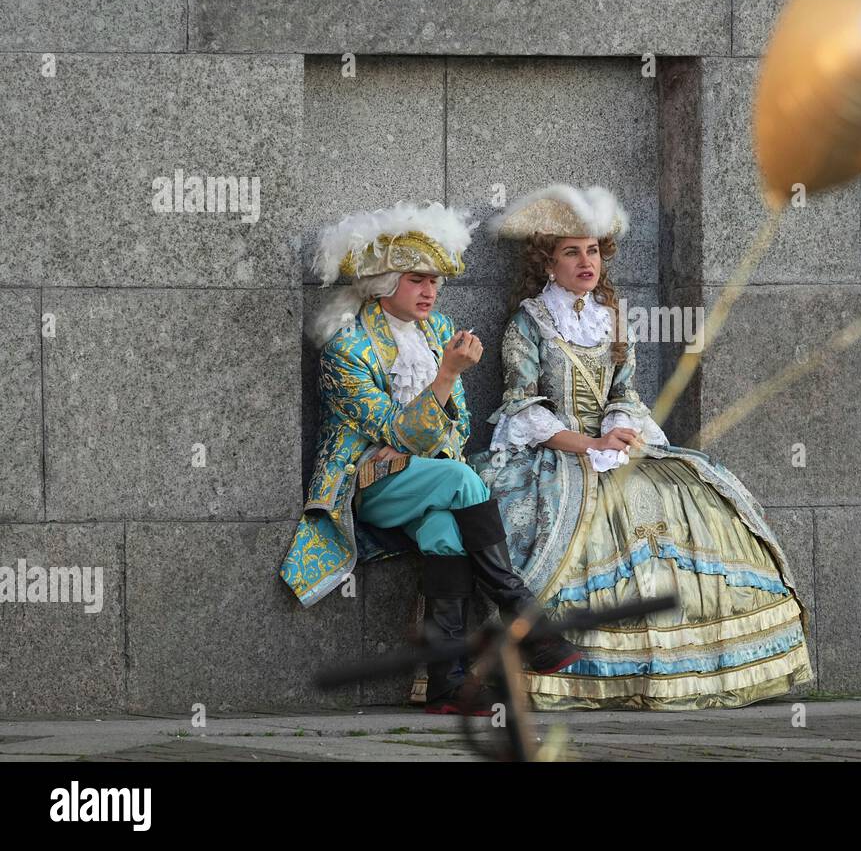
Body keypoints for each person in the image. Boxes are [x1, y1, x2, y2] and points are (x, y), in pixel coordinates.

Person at [471, 183, 814, 709]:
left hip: (611, 443)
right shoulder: (528, 323)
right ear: (548, 262)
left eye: (592, 250)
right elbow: (522, 407)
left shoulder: (611, 317)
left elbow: (625, 391)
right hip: (557, 452)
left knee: (685, 495)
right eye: (571, 252)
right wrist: (589, 443)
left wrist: (621, 430)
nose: (586, 262)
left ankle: (691, 669)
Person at [279, 200, 579, 715]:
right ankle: (528, 620)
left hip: (430, 479)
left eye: (436, 281)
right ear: (382, 282)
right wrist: (444, 379)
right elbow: (397, 431)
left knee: (446, 535)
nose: (431, 291)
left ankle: (446, 685)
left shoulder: (440, 332)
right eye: (418, 279)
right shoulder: (348, 347)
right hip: (364, 486)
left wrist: (432, 413)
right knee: (462, 480)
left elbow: (458, 423)